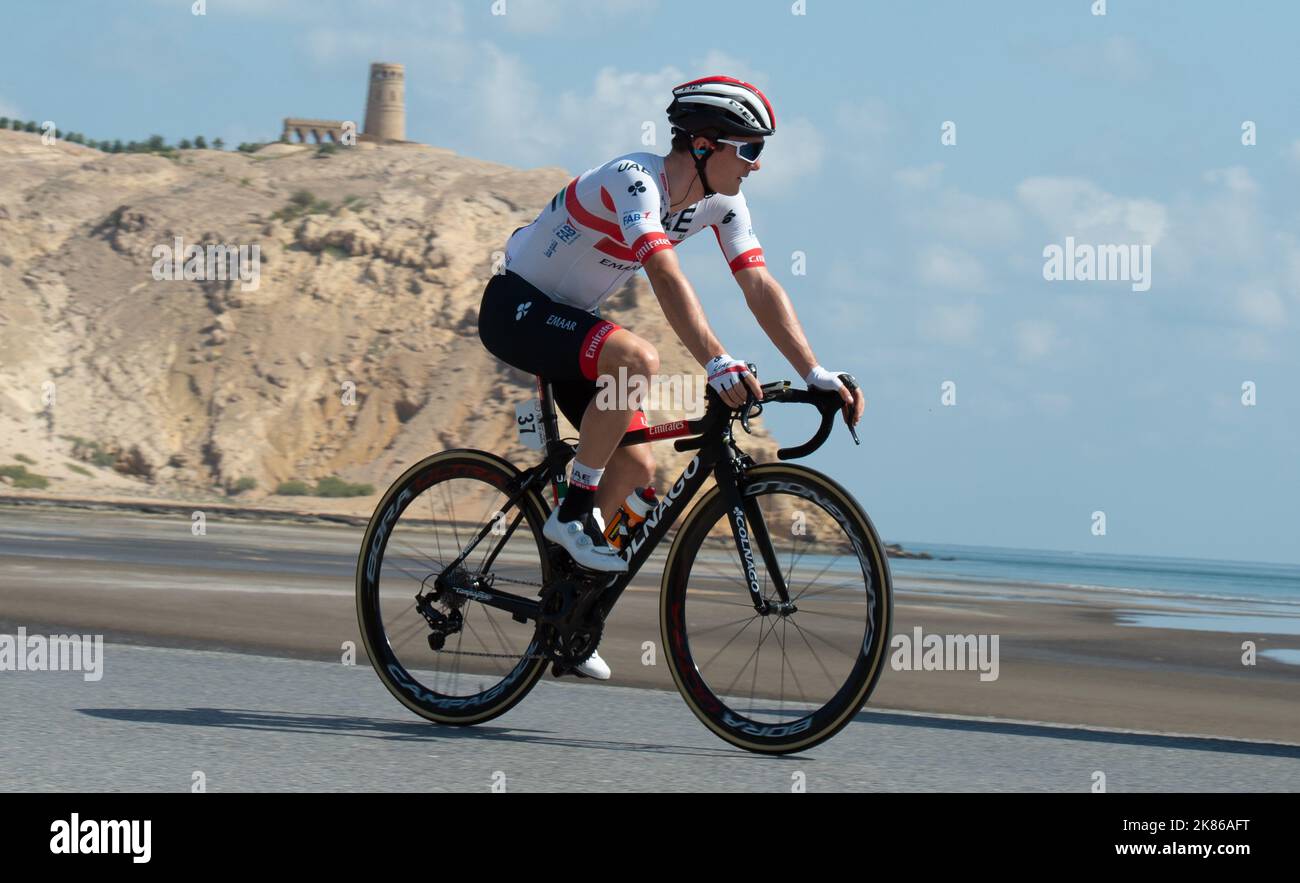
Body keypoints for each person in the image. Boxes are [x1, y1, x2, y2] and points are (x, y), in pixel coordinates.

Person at [478, 75, 864, 678]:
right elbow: (663, 273)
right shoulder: (635, 180)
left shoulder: (723, 203)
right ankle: (573, 512)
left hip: (570, 322)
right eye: (751, 149)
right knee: (637, 358)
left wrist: (812, 371)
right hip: (516, 307)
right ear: (706, 145)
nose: (757, 167)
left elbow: (758, 284)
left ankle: (568, 612)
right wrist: (716, 359)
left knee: (635, 470)